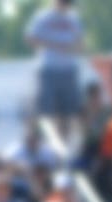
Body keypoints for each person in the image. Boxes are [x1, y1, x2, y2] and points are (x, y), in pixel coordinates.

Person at [25, 0, 85, 130]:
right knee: (45, 110)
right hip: (48, 67)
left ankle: (66, 140)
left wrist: (73, 48)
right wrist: (55, 45)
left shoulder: (73, 18)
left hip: (69, 68)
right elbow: (31, 38)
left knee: (69, 111)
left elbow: (80, 42)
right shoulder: (43, 17)